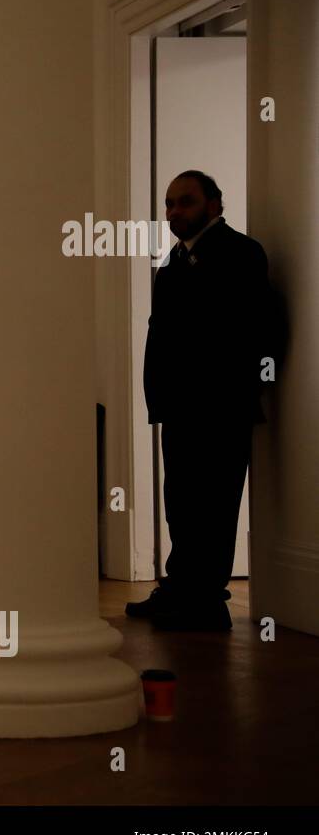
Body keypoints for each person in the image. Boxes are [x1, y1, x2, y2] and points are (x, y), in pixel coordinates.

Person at [128, 170, 279, 631]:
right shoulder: (172, 263)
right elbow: (162, 336)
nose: (175, 212)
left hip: (220, 407)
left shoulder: (241, 253)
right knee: (182, 501)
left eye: (185, 202)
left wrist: (245, 390)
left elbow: (257, 329)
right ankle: (181, 588)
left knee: (214, 503)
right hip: (179, 408)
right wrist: (158, 397)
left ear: (215, 204)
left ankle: (207, 601)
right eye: (170, 204)